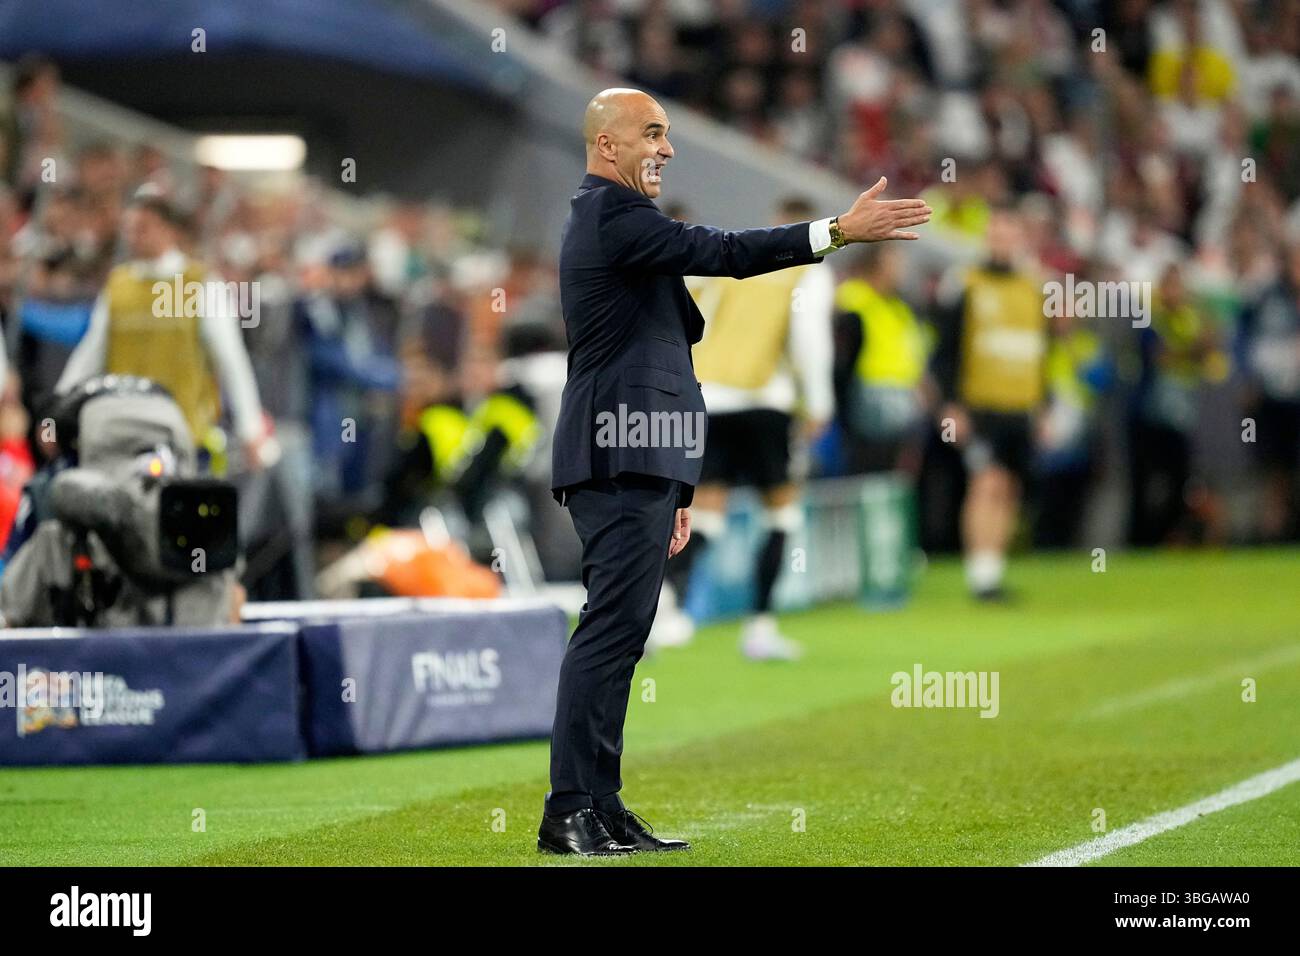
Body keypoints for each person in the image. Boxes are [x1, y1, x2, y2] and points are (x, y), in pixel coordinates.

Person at [541, 87, 931, 855]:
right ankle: (568, 810)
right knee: (609, 633)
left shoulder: (619, 223)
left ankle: (603, 802)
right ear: (605, 144)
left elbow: (663, 360)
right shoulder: (613, 215)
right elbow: (724, 254)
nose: (668, 148)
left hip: (643, 453)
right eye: (652, 133)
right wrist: (838, 232)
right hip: (617, 452)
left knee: (625, 634)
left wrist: (681, 484)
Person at [658, 196, 836, 660]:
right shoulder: (807, 272)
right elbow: (810, 341)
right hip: (764, 401)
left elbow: (689, 315)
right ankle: (759, 627)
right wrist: (818, 403)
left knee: (708, 516)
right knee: (781, 514)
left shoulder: (734, 263)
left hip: (709, 399)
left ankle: (664, 607)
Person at [54, 189, 270, 469]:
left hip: (182, 433)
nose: (133, 237)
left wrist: (250, 428)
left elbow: (230, 358)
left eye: (143, 228)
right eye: (130, 229)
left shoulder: (200, 283)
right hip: (121, 430)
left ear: (170, 231)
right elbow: (90, 354)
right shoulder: (118, 284)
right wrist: (58, 409)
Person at [930, 205, 1046, 601]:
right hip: (980, 405)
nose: (1002, 241)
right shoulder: (965, 283)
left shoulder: (1032, 286)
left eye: (1009, 234)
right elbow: (943, 350)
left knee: (1009, 487)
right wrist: (950, 404)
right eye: (996, 233)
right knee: (987, 482)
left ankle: (993, 572)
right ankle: (980, 575)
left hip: (1020, 406)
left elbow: (1040, 352)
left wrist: (1043, 404)